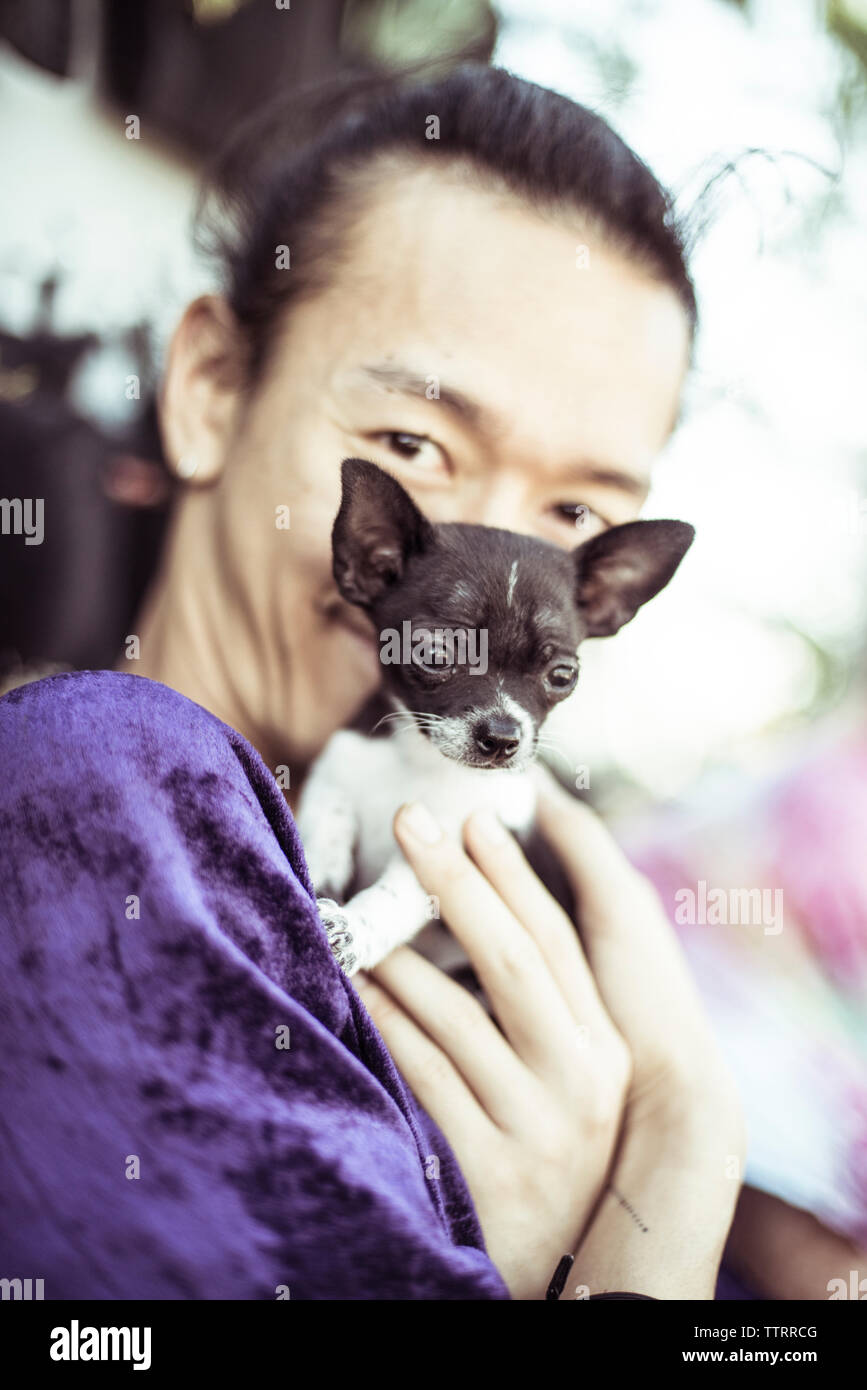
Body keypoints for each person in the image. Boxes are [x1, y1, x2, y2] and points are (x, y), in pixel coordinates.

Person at [0, 64, 745, 1299]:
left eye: (571, 515)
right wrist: (650, 1200)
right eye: (412, 445)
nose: (490, 571)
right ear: (208, 392)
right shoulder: (99, 774)